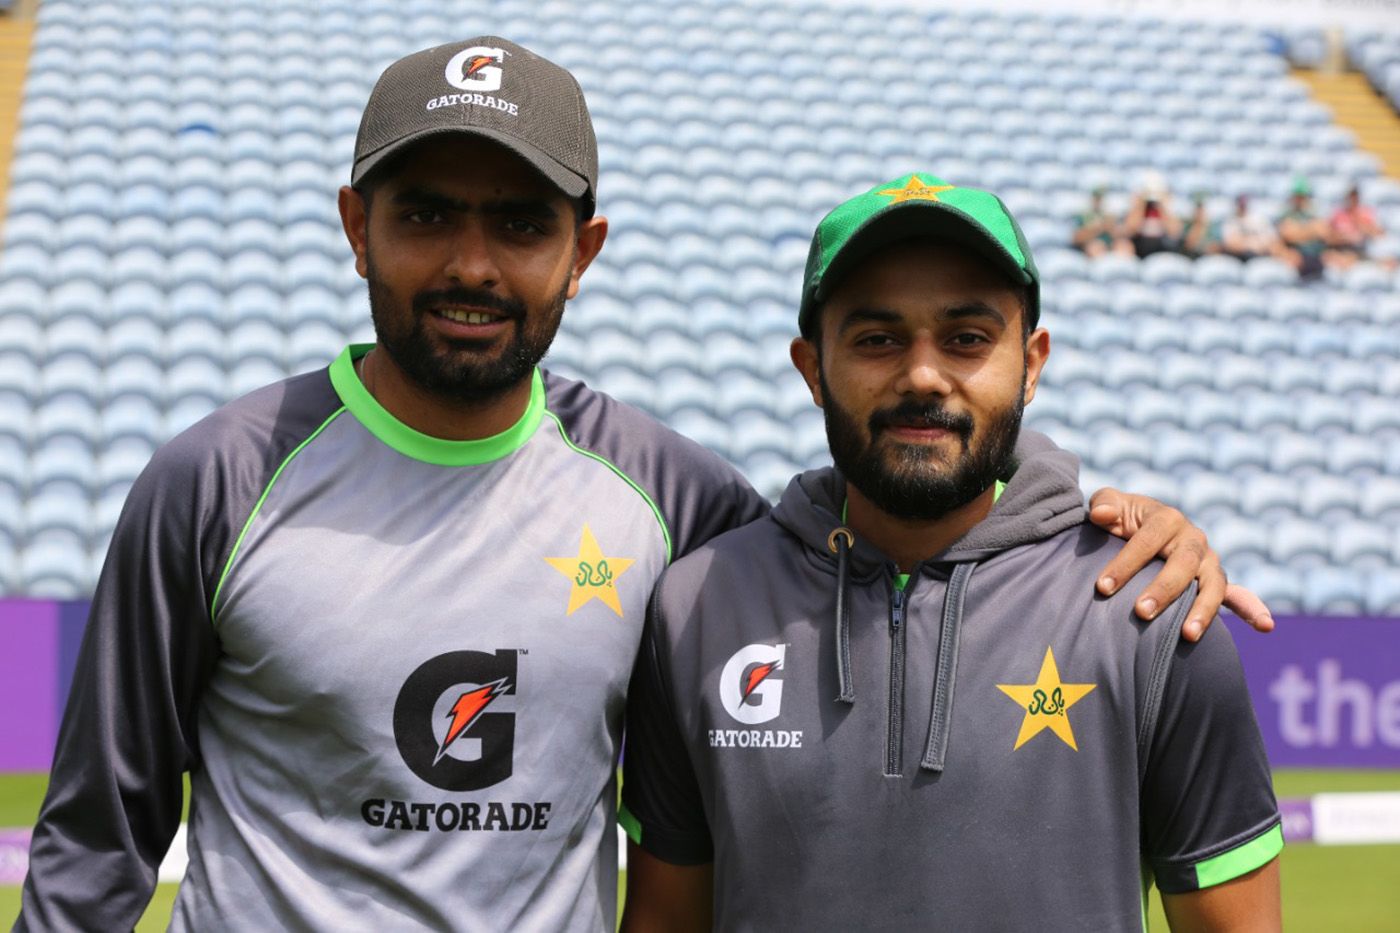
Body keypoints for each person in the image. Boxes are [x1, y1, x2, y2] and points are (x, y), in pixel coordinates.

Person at [18, 40, 1268, 931]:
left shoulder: (678, 503)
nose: (471, 265)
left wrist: (1120, 522)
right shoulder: (214, 481)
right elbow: (93, 842)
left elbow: (892, 522)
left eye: (521, 224)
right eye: (425, 216)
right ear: (357, 227)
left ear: (584, 251)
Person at [621, 174, 1282, 932]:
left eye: (967, 338)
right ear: (812, 369)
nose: (923, 376)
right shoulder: (697, 606)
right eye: (877, 339)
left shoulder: (1150, 613)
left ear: (1032, 363)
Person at [1276, 178, 1331, 279]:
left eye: (1302, 196)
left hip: (1316, 256)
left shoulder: (1315, 212)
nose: (1299, 200)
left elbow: (1324, 233)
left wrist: (1299, 231)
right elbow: (1289, 235)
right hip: (1297, 257)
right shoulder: (1287, 214)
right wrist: (1311, 231)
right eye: (1297, 196)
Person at [1121, 173, 1184, 258]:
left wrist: (1162, 205)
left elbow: (1174, 232)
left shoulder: (1165, 210)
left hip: (1161, 247)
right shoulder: (1138, 209)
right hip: (1140, 246)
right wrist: (1141, 203)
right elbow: (1131, 229)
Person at [1327, 184, 1385, 268]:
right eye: (1350, 196)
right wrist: (1346, 237)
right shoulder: (1338, 214)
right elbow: (1329, 238)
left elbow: (1378, 233)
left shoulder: (1365, 213)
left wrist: (1360, 224)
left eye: (1355, 196)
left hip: (1361, 250)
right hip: (1342, 250)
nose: (1352, 199)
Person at [1069, 186, 1132, 258]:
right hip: (1092, 244)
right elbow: (1076, 238)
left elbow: (1120, 234)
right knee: (1096, 247)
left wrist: (1110, 228)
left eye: (1100, 198)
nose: (1098, 201)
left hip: (1110, 243)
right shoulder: (1083, 216)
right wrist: (1098, 228)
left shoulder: (1109, 216)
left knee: (1124, 245)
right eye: (1096, 198)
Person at [1220, 193, 1283, 262]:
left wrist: (1254, 245)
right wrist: (1250, 244)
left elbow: (1271, 240)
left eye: (1244, 205)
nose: (1242, 208)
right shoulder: (1230, 220)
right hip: (1239, 257)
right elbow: (1231, 244)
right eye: (1240, 205)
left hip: (1261, 254)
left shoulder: (1259, 219)